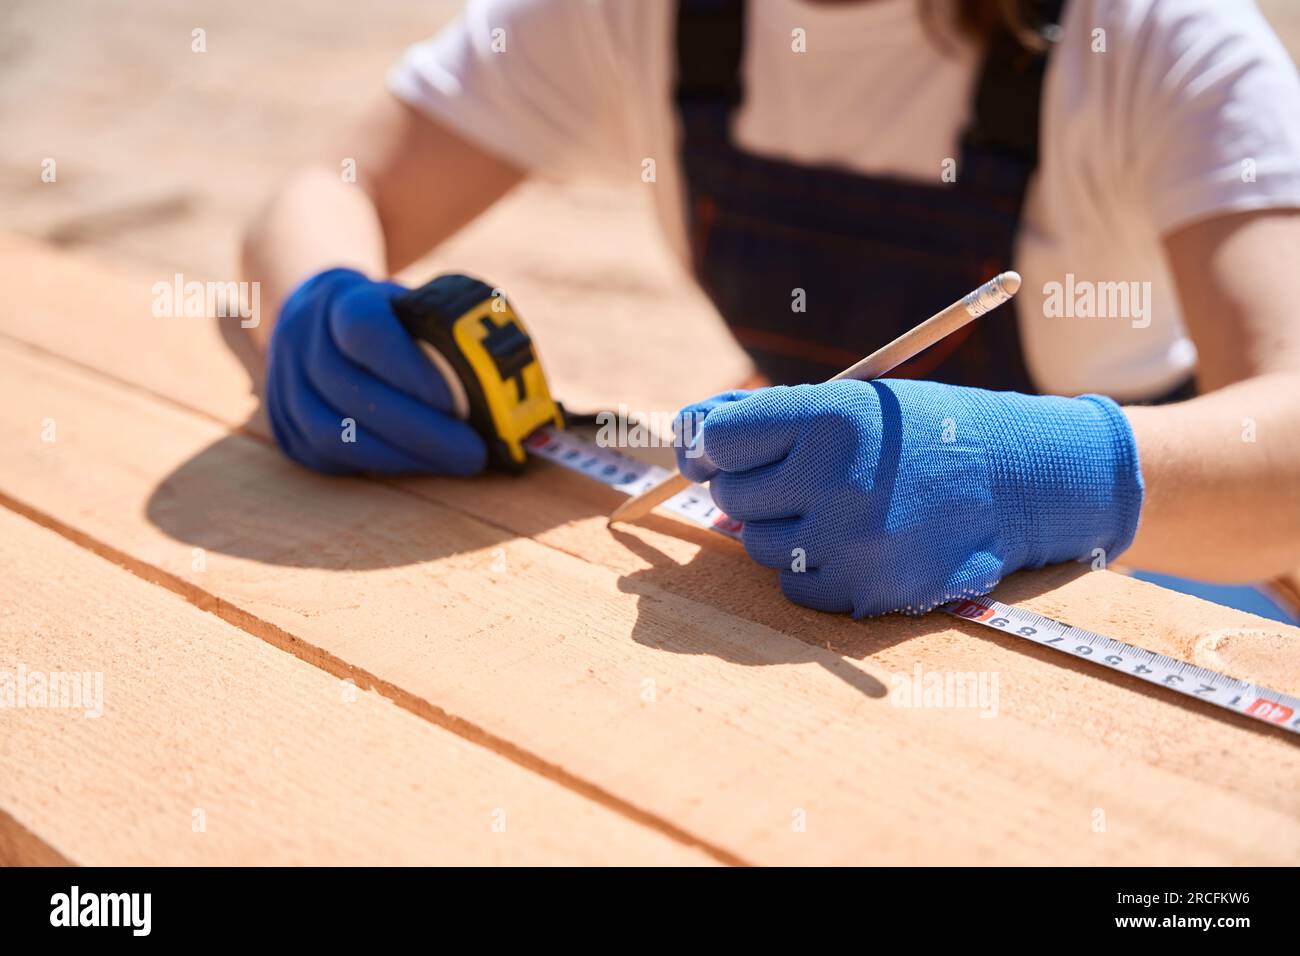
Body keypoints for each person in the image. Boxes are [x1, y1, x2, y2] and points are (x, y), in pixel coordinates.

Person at [241, 0, 1300, 618]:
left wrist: (1037, 478)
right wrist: (316, 312)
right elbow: (332, 186)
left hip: (1156, 539)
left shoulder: (1158, 38)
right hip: (808, 549)